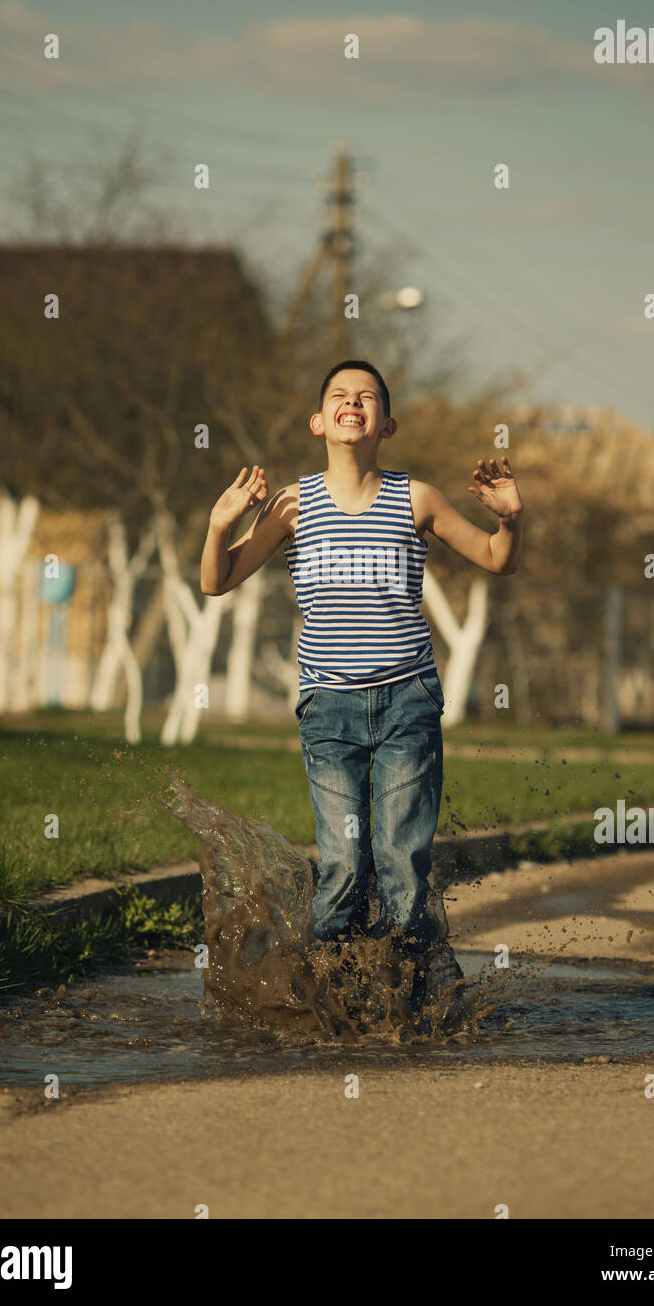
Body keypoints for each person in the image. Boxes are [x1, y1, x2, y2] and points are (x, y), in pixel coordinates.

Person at [200, 360, 523, 1010]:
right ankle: (324, 1005)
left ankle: (422, 1003)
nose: (353, 404)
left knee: (402, 862)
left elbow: (494, 558)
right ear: (319, 420)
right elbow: (216, 580)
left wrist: (510, 520)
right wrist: (218, 525)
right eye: (339, 397)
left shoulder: (417, 498)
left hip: (407, 700)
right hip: (328, 708)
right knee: (345, 864)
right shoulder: (292, 504)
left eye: (367, 397)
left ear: (387, 423)